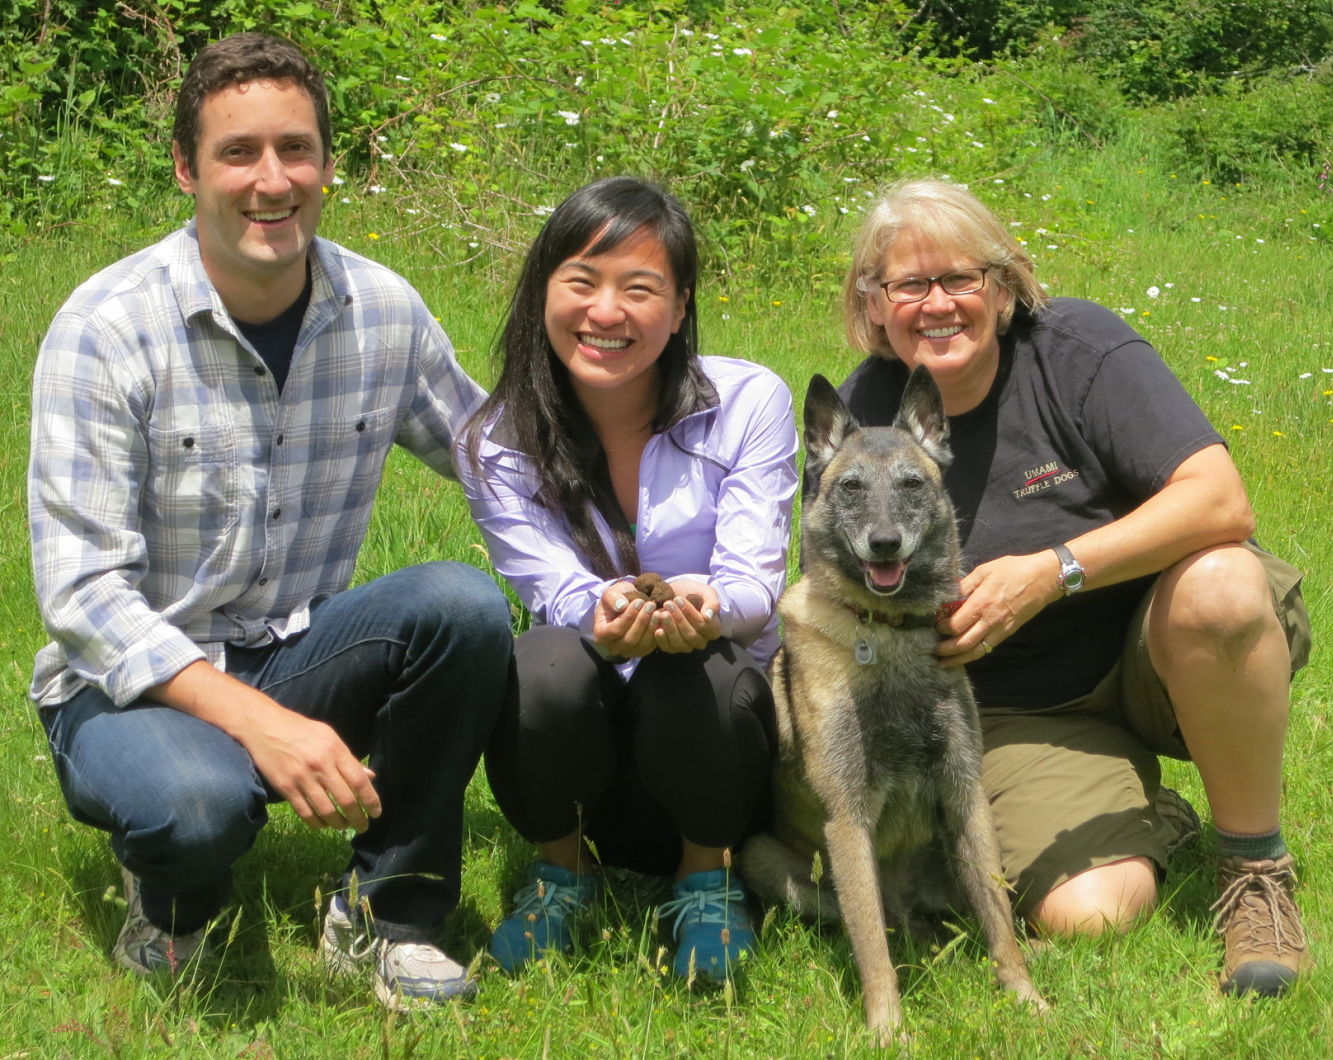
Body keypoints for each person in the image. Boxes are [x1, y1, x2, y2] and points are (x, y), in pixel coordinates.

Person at [27, 32, 512, 1011]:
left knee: (461, 605)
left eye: (295, 149)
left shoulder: (382, 309)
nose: (272, 180)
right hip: (126, 689)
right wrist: (262, 727)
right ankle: (175, 902)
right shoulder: (105, 329)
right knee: (198, 803)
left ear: (331, 166)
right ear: (185, 168)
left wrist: (656, 547)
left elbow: (497, 462)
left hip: (294, 648)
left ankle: (390, 910)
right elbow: (81, 595)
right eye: (238, 152)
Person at [837, 178, 1312, 997]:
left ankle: (1254, 871)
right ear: (872, 303)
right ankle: (1155, 817)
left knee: (1223, 587)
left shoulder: (1073, 349)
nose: (937, 303)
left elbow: (1219, 499)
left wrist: (1051, 573)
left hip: (1158, 650)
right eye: (909, 284)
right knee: (1090, 914)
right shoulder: (864, 416)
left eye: (960, 278)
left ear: (1004, 282)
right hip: (1023, 707)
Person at [459, 176, 798, 982]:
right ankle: (561, 877)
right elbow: (551, 589)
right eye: (581, 281)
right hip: (585, 766)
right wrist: (605, 614)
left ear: (679, 308)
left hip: (721, 759)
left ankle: (706, 884)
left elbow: (754, 586)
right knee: (539, 658)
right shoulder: (495, 440)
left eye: (638, 289)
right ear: (543, 289)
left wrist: (707, 606)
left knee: (701, 666)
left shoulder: (749, 400)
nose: (605, 313)